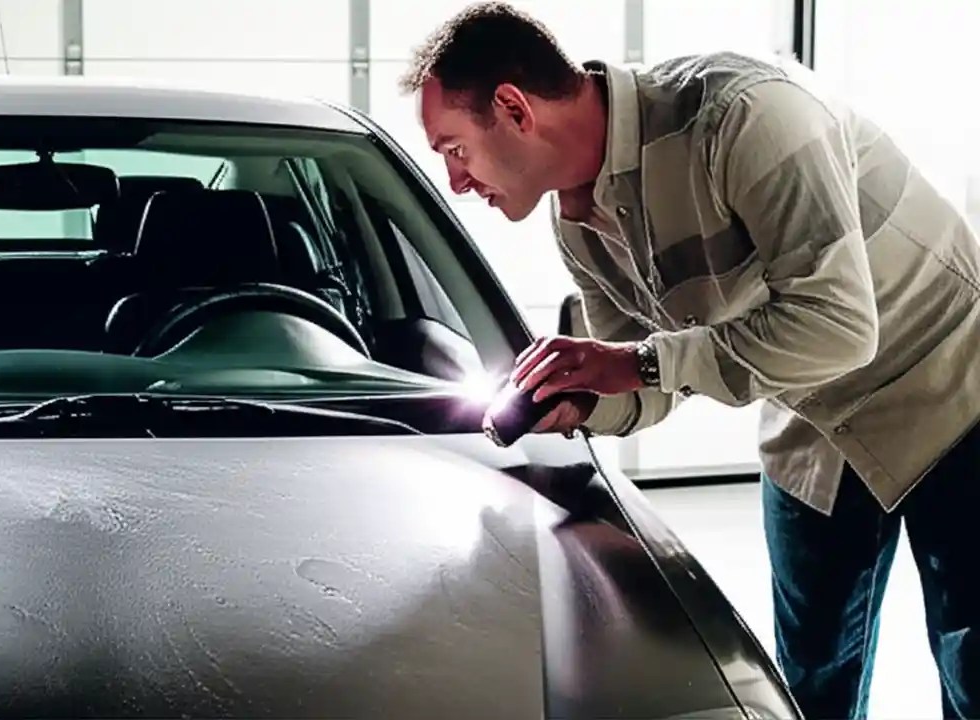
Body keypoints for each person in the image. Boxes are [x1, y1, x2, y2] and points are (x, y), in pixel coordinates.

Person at [400, 2, 980, 718]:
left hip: (947, 390)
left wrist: (639, 365)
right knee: (810, 675)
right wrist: (585, 399)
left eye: (454, 149)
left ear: (514, 108)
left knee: (973, 663)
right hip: (810, 423)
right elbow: (645, 380)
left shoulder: (747, 115)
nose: (457, 182)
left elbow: (837, 326)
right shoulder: (576, 225)